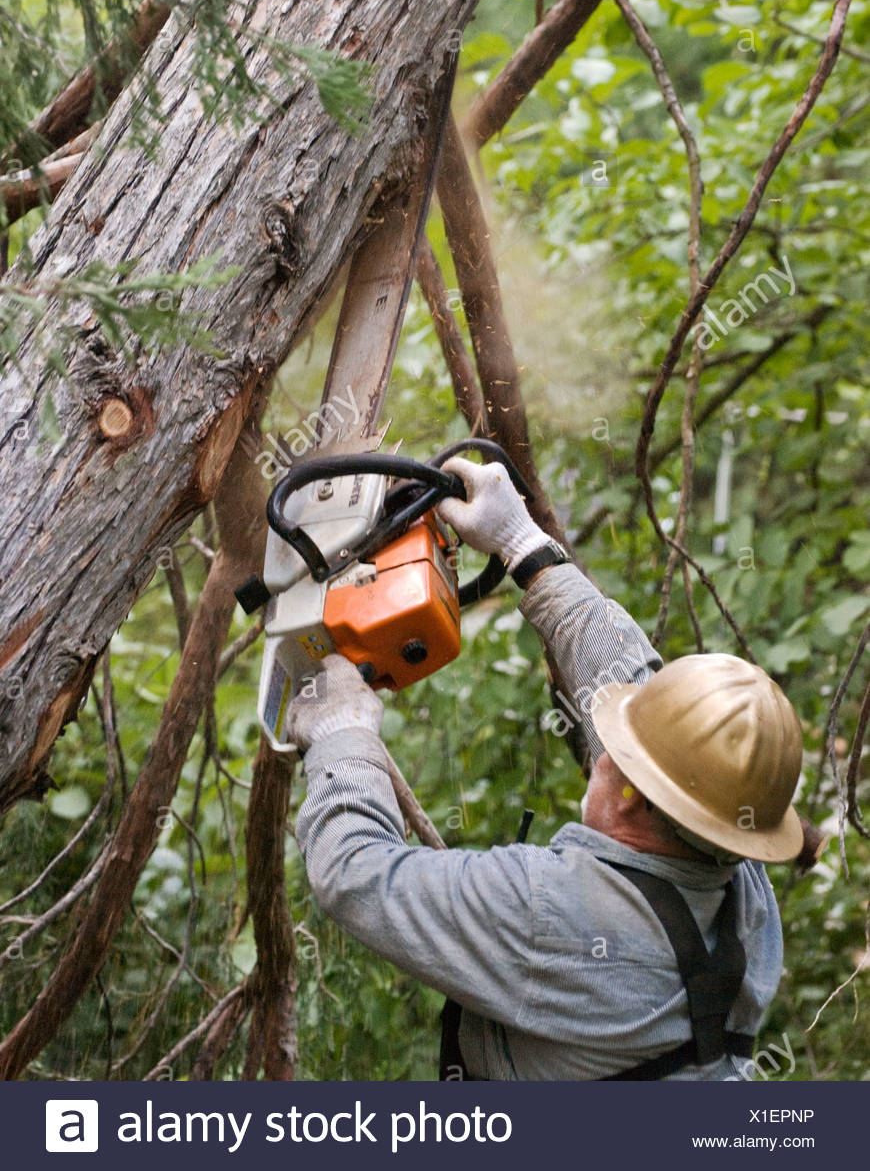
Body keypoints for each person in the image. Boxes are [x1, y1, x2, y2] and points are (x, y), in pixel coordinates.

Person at [287, 457, 805, 1080]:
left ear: (635, 798)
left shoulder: (552, 914)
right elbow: (630, 681)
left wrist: (342, 737)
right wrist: (523, 546)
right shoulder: (738, 871)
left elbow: (356, 874)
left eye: (617, 744)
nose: (605, 731)